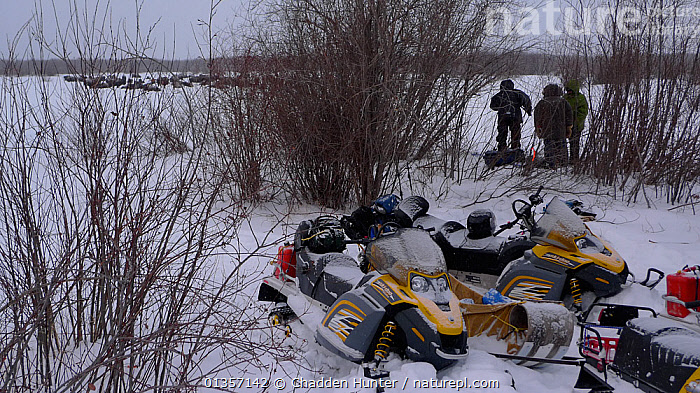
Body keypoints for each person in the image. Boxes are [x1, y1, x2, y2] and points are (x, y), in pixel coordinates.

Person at [534, 84, 573, 169]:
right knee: (561, 146)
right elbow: (569, 115)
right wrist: (569, 127)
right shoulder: (563, 102)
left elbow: (537, 116)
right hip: (560, 130)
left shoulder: (542, 103)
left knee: (549, 146)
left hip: (547, 130)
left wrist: (538, 128)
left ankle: (551, 163)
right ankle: (563, 163)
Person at [490, 79, 532, 151]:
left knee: (502, 133)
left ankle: (502, 148)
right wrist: (528, 110)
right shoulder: (518, 93)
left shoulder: (499, 95)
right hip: (516, 117)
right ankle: (515, 148)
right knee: (515, 133)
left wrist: (501, 107)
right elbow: (526, 101)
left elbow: (493, 106)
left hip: (502, 117)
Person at [563, 79, 589, 164]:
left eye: (570, 90)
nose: (569, 92)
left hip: (576, 125)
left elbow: (583, 112)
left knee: (574, 143)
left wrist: (575, 120)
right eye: (568, 91)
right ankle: (563, 159)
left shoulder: (580, 98)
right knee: (562, 143)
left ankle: (574, 160)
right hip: (565, 124)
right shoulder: (565, 97)